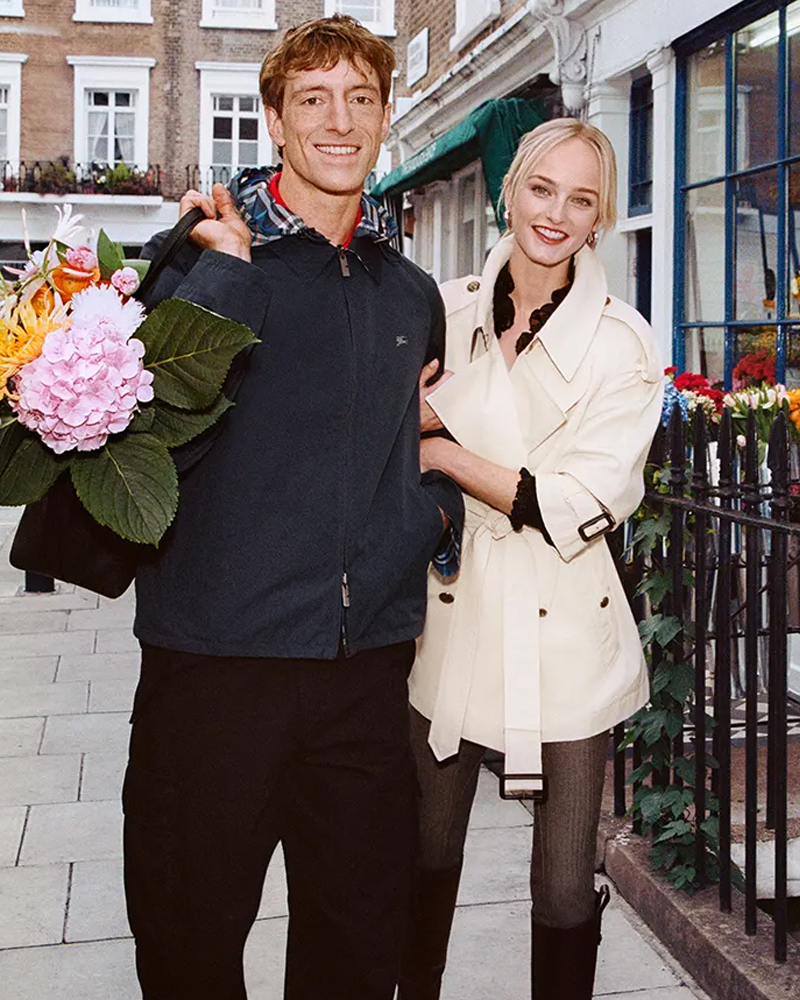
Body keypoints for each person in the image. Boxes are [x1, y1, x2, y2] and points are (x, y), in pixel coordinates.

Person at [122, 15, 463, 1000]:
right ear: (273, 119)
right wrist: (224, 278)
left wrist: (434, 508)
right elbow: (141, 439)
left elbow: (411, 439)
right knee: (189, 948)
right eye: (311, 98)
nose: (338, 119)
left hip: (360, 682)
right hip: (213, 670)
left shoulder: (407, 293)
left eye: (360, 98)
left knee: (357, 956)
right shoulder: (196, 255)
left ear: (385, 115)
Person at [399, 118, 664, 1000]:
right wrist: (424, 442)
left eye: (581, 198)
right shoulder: (442, 303)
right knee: (424, 855)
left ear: (600, 219)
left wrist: (441, 448)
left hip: (565, 635)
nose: (556, 213)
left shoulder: (625, 343)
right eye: (542, 188)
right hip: (451, 614)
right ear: (508, 189)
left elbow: (579, 502)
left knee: (559, 887)